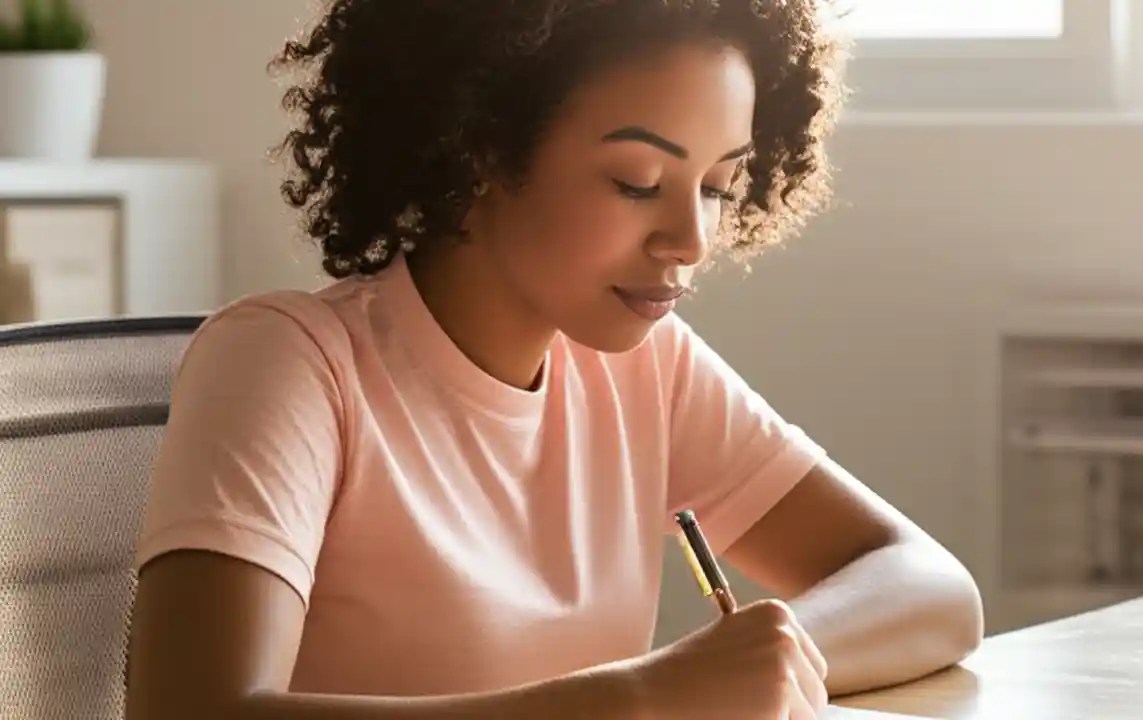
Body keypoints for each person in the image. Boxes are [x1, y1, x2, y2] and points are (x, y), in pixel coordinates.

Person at [125, 1, 983, 719]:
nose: (691, 239)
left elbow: (932, 589)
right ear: (483, 148)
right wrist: (643, 700)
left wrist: (763, 662)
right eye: (638, 180)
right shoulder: (292, 364)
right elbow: (194, 712)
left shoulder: (647, 370)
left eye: (719, 186)